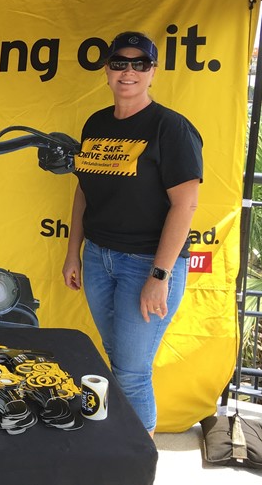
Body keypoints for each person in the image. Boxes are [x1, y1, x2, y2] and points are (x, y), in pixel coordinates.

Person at [61, 30, 203, 437]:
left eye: (139, 63)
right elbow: (83, 189)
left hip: (146, 265)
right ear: (107, 71)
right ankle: (117, 452)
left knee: (133, 373)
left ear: (152, 72)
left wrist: (159, 277)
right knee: (117, 361)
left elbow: (185, 206)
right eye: (119, 63)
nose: (128, 71)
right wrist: (75, 252)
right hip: (99, 260)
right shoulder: (96, 123)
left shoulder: (171, 129)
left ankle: (137, 465)